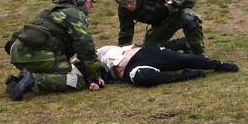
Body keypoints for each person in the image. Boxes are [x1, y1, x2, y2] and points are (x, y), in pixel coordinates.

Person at [4, 0, 104, 100]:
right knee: (77, 80)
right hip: (39, 55)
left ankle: (19, 81)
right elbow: (86, 47)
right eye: (90, 2)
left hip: (18, 54)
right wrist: (95, 76)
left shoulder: (50, 10)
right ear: (81, 0)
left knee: (61, 65)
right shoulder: (75, 14)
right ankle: (34, 80)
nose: (91, 6)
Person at [112, 0, 206, 55]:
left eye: (130, 1)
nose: (129, 6)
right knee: (148, 53)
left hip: (176, 14)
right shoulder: (123, 10)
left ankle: (198, 54)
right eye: (125, 4)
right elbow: (125, 33)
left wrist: (166, 8)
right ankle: (183, 43)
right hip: (160, 24)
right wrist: (121, 54)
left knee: (190, 18)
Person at [97, 44, 238, 87]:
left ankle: (219, 65)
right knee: (142, 77)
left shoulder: (102, 52)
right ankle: (184, 76)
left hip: (144, 53)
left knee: (183, 59)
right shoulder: (98, 74)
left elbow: (88, 55)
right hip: (131, 70)